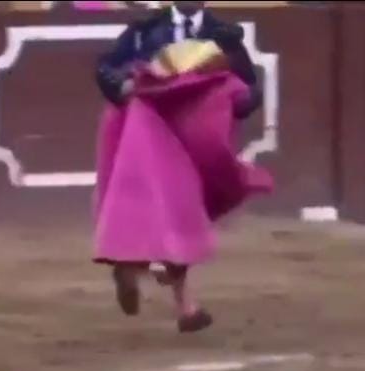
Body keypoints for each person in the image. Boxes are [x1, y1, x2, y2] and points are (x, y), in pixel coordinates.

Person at [93, 1, 265, 333]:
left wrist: (237, 103)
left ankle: (132, 269)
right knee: (172, 211)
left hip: (192, 139)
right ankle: (184, 306)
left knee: (179, 213)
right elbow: (106, 68)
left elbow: (248, 87)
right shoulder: (145, 29)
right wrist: (121, 87)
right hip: (149, 135)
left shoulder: (223, 35)